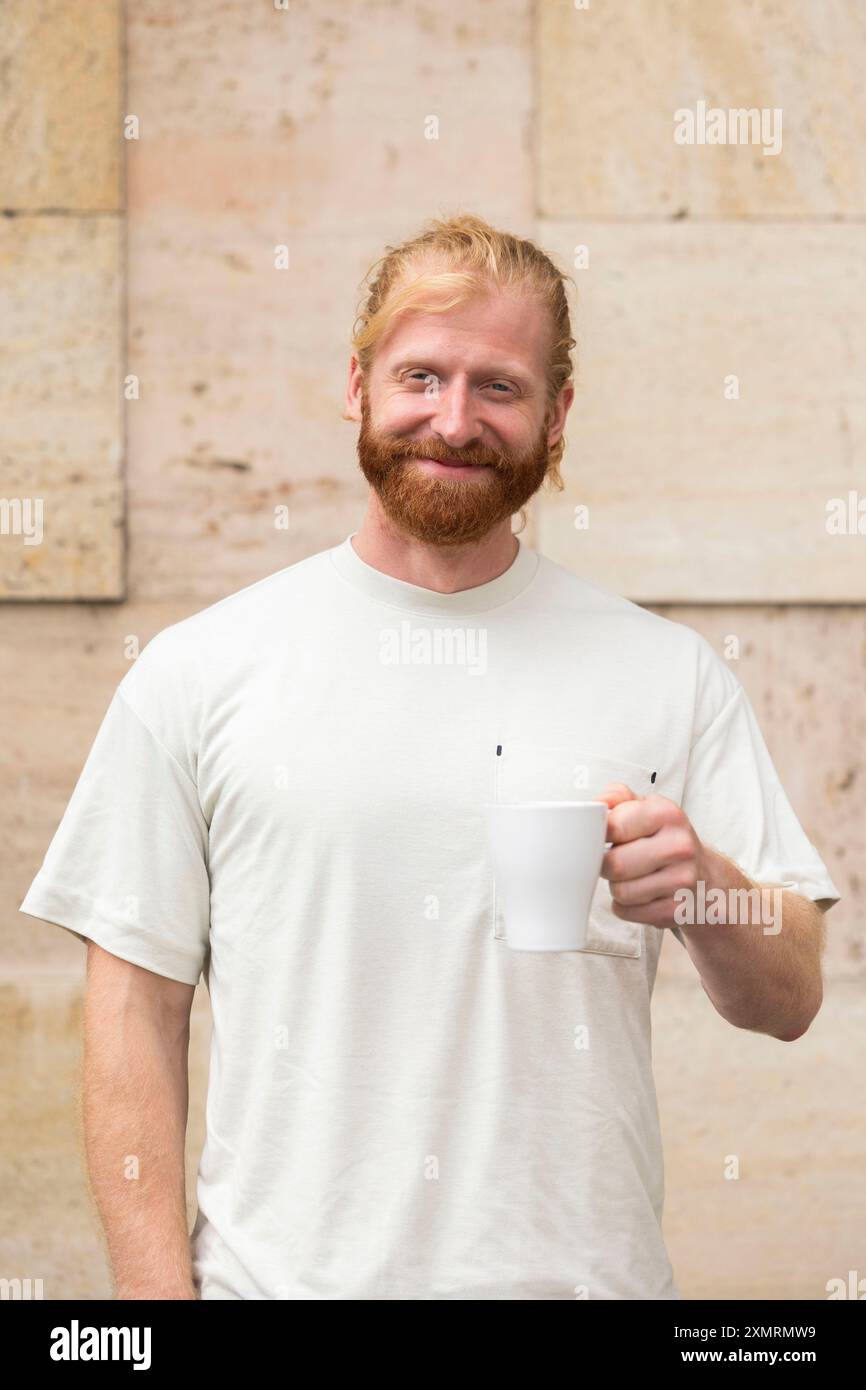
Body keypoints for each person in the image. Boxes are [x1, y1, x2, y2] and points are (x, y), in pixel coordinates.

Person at [19, 213, 841, 1300]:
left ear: (556, 416)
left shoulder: (666, 672)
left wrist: (705, 890)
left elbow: (787, 996)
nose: (452, 421)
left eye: (497, 387)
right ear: (356, 385)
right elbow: (132, 1009)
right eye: (421, 376)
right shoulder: (200, 671)